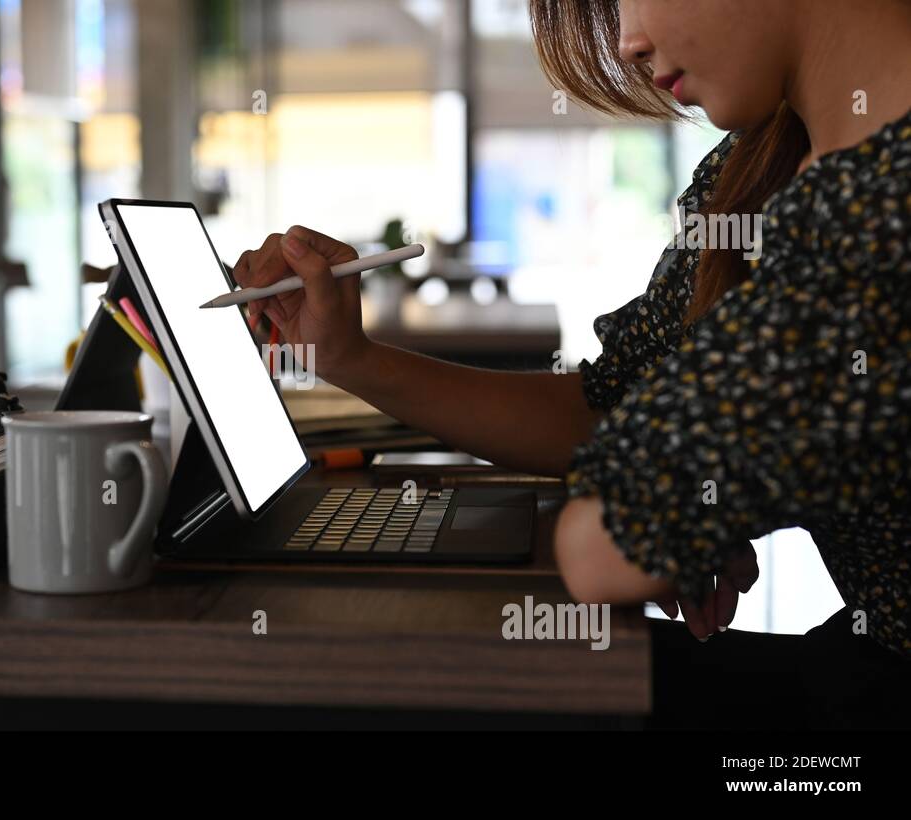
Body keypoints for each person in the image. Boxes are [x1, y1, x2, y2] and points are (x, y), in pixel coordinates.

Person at [231, 0, 911, 729]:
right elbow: (613, 406)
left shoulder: (876, 208)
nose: (627, 44)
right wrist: (348, 358)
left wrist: (684, 486)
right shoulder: (755, 176)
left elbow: (603, 546)